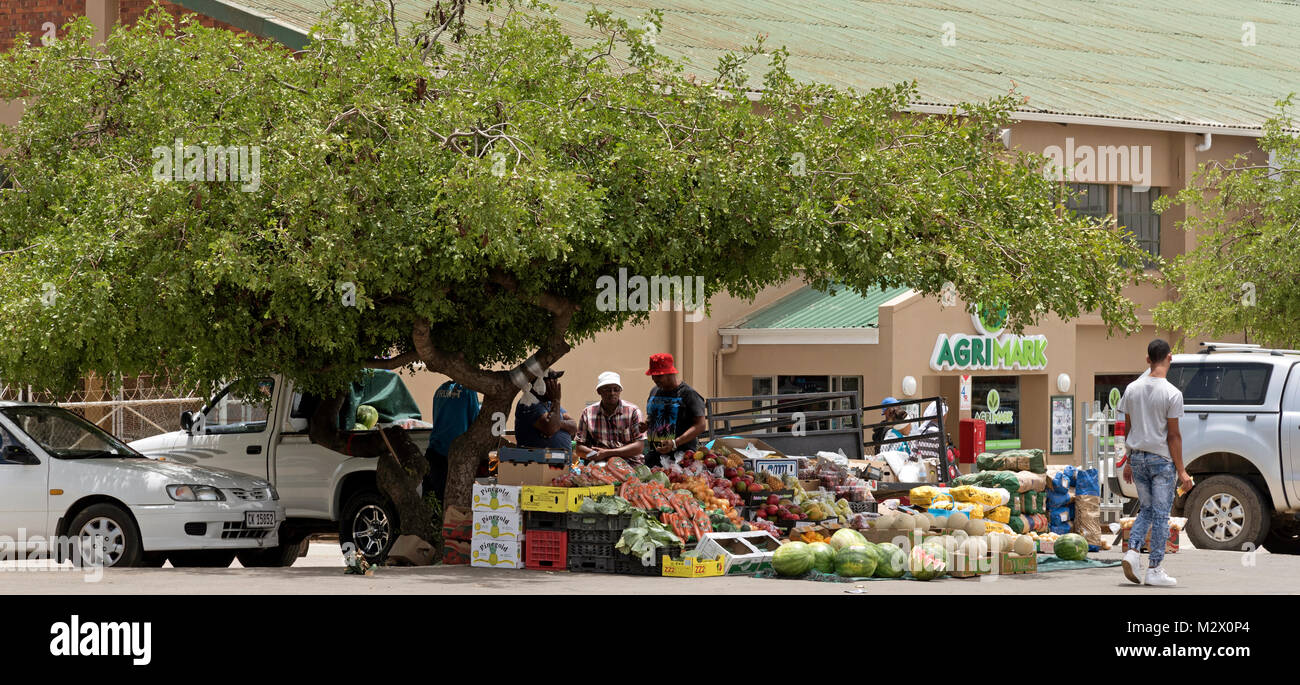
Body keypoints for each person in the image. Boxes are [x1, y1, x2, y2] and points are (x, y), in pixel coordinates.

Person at [1119, 338, 1194, 587]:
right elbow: (1173, 436)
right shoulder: (1172, 393)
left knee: (1147, 510)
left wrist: (1129, 459)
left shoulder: (1132, 389)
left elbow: (1128, 427)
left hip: (1137, 458)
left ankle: (1132, 551)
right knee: (1161, 516)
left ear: (1148, 359)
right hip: (1161, 461)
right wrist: (1182, 471)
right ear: (1169, 357)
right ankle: (1154, 569)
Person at [639, 353, 707, 467]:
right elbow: (652, 415)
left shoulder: (688, 394)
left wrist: (675, 442)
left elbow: (700, 425)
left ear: (670, 373)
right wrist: (646, 424)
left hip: (681, 458)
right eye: (653, 375)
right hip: (655, 457)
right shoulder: (654, 391)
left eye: (659, 376)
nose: (655, 379)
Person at [424, 380, 480, 501]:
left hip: (434, 451)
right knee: (452, 504)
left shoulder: (440, 389)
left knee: (432, 501)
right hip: (453, 454)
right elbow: (476, 421)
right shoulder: (468, 390)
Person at [574, 372, 647, 464]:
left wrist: (607, 453)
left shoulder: (633, 411)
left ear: (620, 391)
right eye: (607, 390)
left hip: (630, 463)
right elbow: (579, 448)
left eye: (616, 389)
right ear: (599, 391)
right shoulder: (587, 413)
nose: (612, 393)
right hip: (600, 463)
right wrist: (594, 454)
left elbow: (639, 447)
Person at [513, 370, 578, 450]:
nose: (555, 387)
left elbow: (574, 426)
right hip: (537, 461)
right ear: (540, 385)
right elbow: (550, 428)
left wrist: (557, 423)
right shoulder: (528, 403)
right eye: (552, 383)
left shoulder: (551, 404)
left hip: (560, 461)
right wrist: (556, 401)